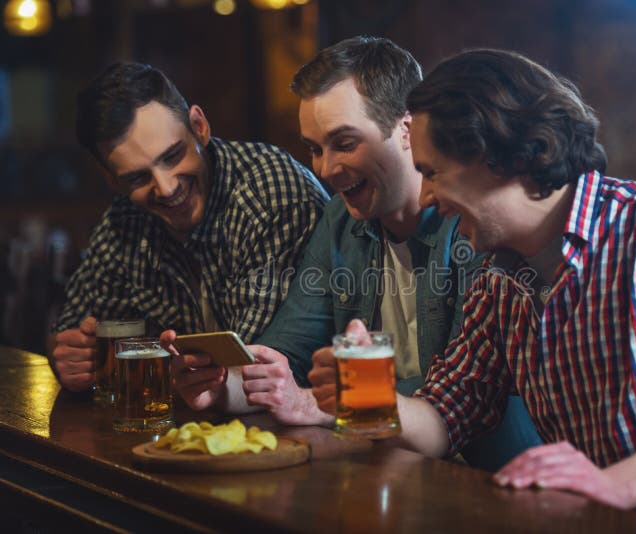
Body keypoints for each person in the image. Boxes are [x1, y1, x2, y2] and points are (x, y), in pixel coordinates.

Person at [309, 49, 636, 532]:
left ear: (496, 156)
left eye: (433, 173)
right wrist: (370, 400)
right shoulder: (499, 283)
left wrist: (615, 487)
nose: (429, 196)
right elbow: (443, 416)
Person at [163, 37, 540, 470]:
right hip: (382, 465)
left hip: (487, 475)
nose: (324, 169)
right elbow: (291, 349)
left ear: (407, 127)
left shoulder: (478, 224)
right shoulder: (340, 220)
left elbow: (460, 392)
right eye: (314, 148)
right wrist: (222, 387)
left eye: (343, 143)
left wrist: (323, 402)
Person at [49, 62, 329, 394]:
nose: (166, 188)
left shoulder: (271, 195)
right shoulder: (125, 220)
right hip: (183, 426)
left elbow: (249, 369)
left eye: (172, 155)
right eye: (137, 177)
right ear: (111, 179)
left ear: (199, 127)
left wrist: (147, 367)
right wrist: (71, 356)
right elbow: (71, 327)